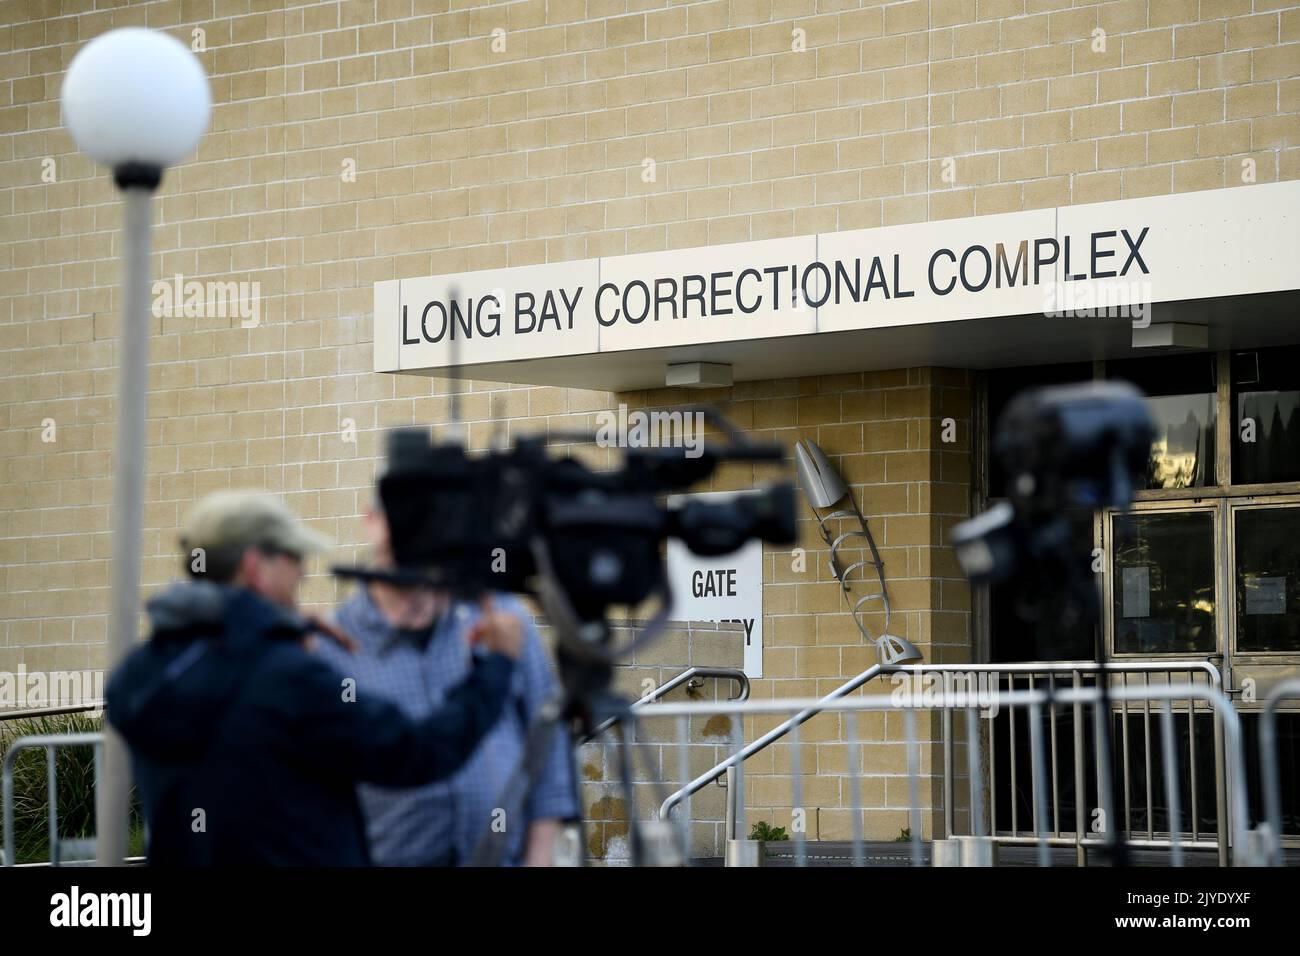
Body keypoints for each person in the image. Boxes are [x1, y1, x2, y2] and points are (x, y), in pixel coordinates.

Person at [107, 489, 524, 866]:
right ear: (255, 567)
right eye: (295, 559)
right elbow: (417, 752)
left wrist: (272, 629)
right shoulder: (287, 678)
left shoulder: (142, 674)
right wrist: (496, 667)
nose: (304, 574)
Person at [313, 504, 579, 866]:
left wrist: (539, 855)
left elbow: (546, 736)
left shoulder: (502, 620)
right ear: (373, 521)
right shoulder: (333, 645)